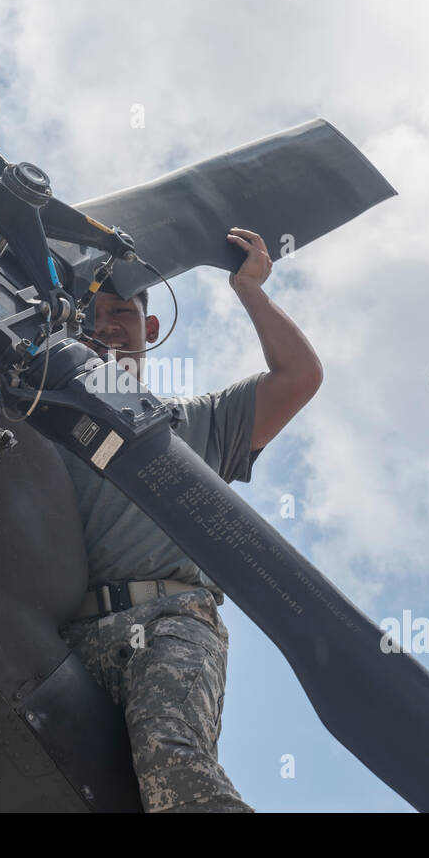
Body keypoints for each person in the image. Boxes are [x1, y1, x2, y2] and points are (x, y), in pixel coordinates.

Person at [56, 226, 323, 813]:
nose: (104, 327)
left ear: (151, 329)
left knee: (172, 761)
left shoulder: (190, 426)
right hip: (61, 640)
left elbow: (299, 378)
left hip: (167, 622)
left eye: (121, 312)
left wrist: (250, 291)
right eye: (89, 317)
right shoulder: (40, 435)